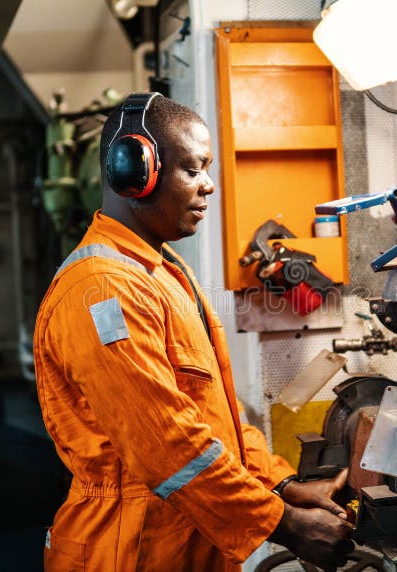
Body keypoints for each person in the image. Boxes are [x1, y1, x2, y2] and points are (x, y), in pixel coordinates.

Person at [34, 92, 354, 571]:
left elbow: (213, 416)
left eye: (207, 169)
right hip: (128, 550)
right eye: (192, 169)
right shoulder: (104, 290)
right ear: (133, 171)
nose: (208, 185)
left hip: (180, 543)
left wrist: (281, 485)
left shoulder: (162, 272)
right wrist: (286, 524)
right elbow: (167, 443)